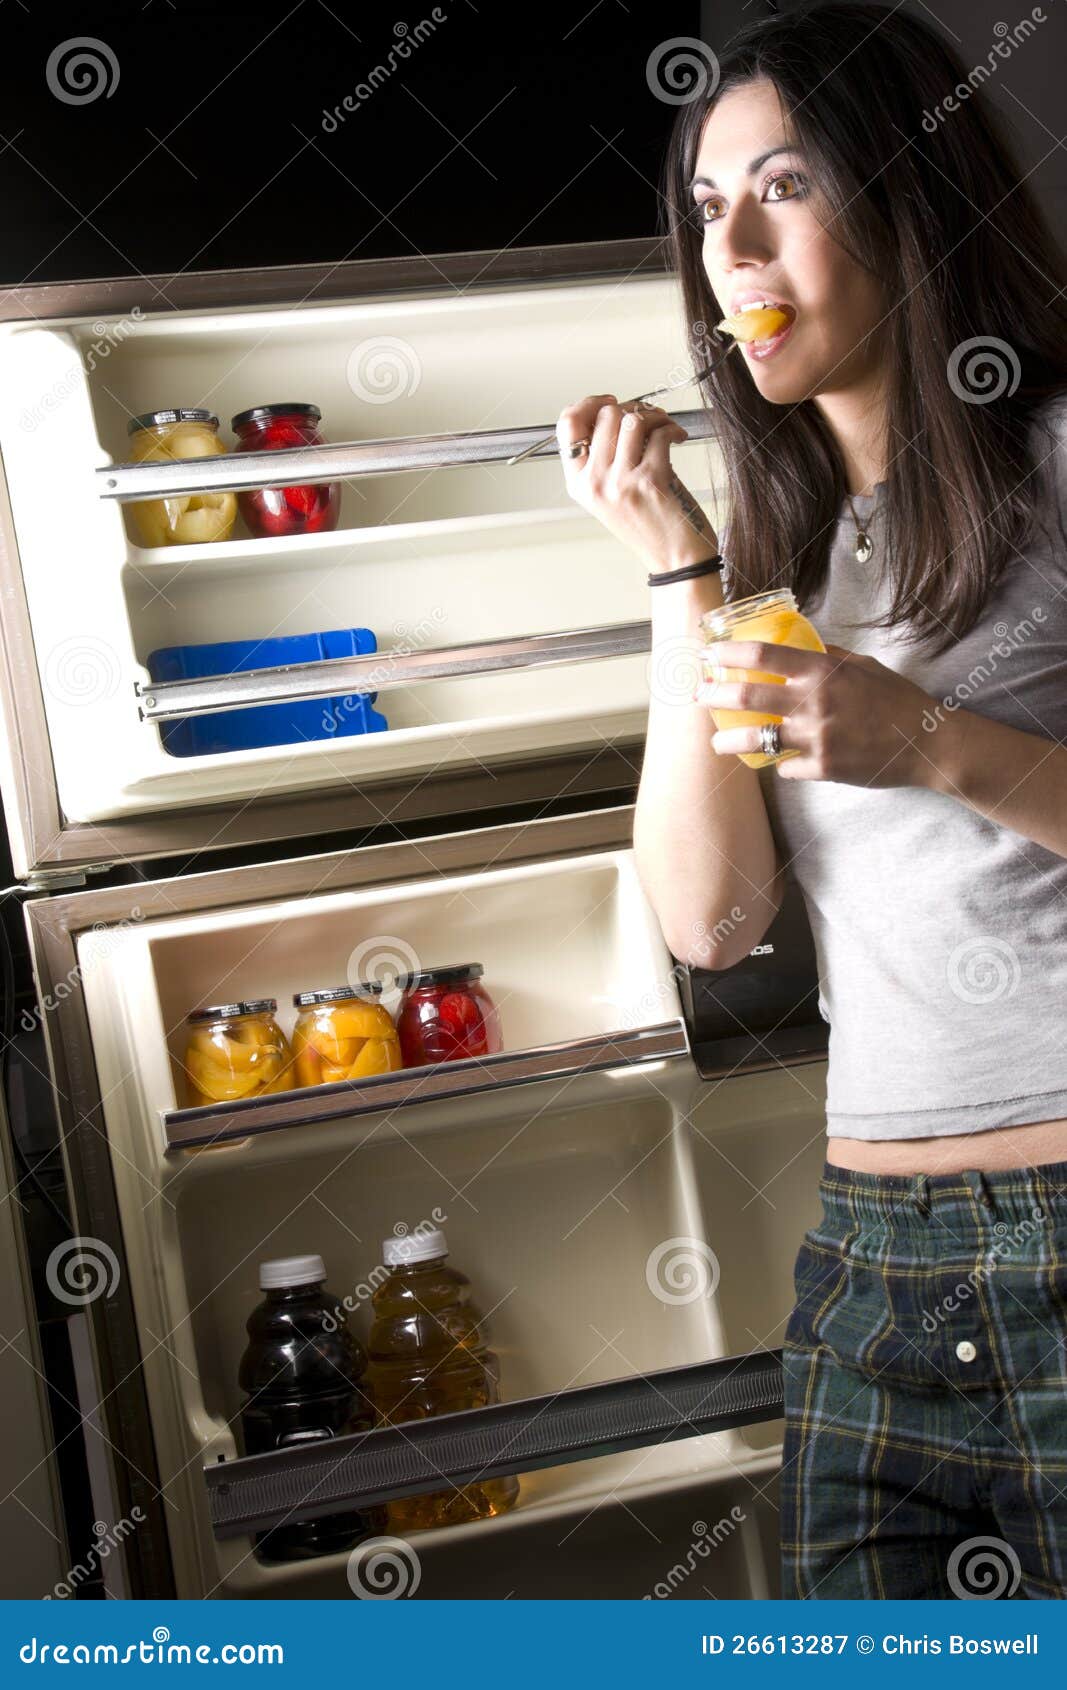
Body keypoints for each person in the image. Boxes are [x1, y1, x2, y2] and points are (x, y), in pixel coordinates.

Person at [556, 1, 1067, 1600]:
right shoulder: (788, 562)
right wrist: (679, 568)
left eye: (782, 185)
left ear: (909, 192)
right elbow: (713, 919)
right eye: (710, 211)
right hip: (871, 1258)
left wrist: (932, 742)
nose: (734, 242)